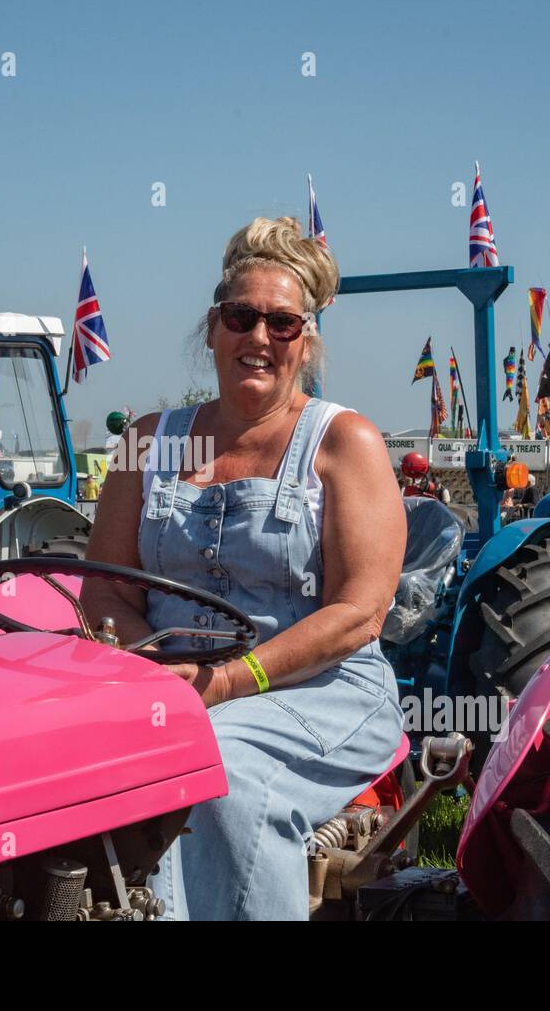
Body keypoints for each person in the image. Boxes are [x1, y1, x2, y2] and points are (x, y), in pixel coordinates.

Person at [81, 216, 406, 920]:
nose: (259, 338)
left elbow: (360, 612)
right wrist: (160, 664)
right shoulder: (147, 443)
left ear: (306, 343)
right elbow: (103, 585)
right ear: (212, 329)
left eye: (283, 324)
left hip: (322, 690)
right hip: (170, 680)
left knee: (220, 770)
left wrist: (229, 680)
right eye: (242, 317)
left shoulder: (344, 442)